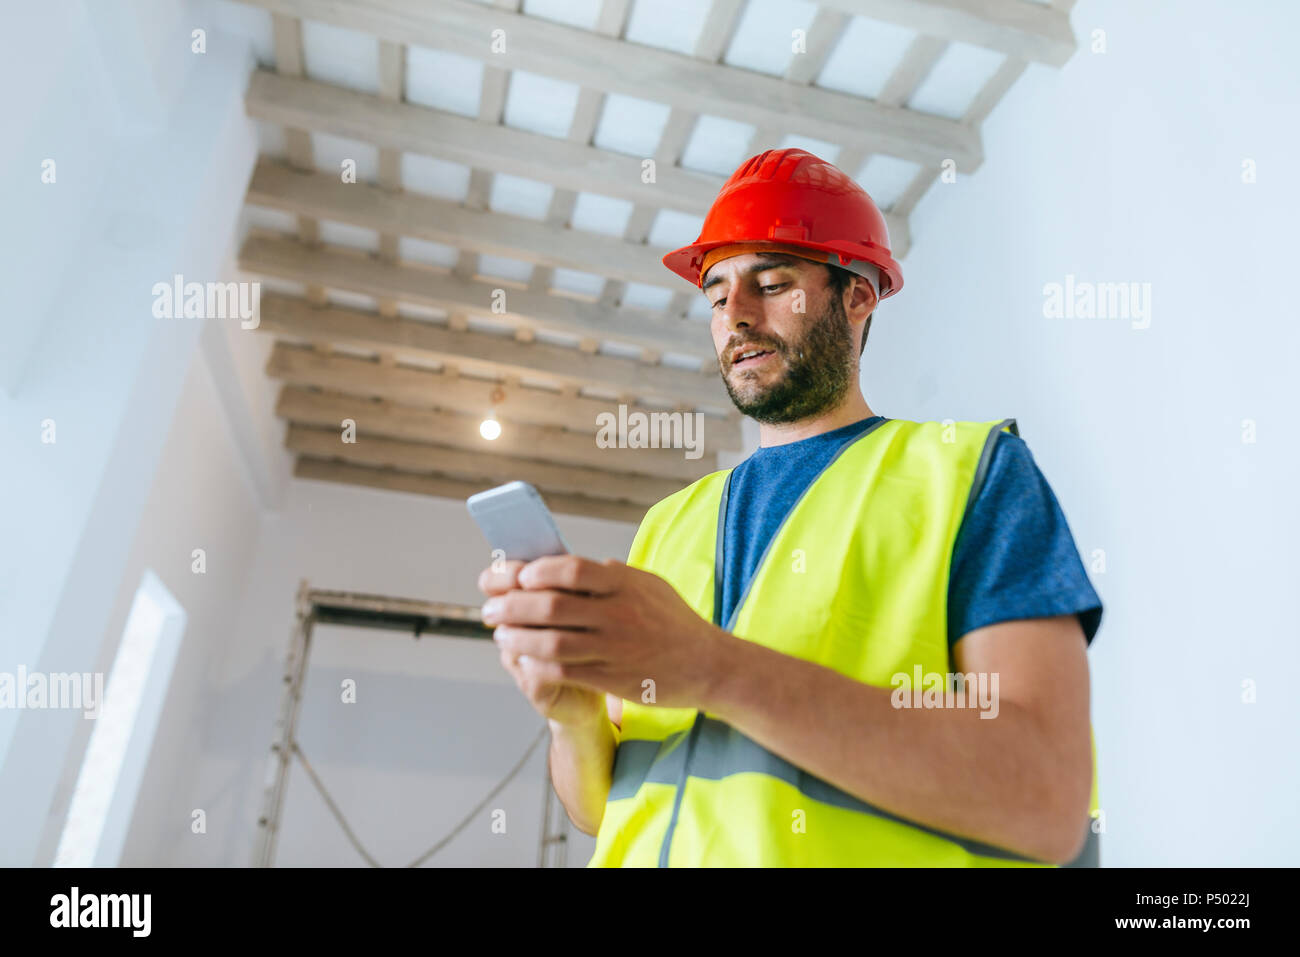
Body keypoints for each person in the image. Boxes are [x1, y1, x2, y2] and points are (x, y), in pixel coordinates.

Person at [477, 148, 1103, 867]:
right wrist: (574, 716)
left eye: (770, 282)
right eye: (715, 296)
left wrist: (712, 666)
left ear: (858, 297)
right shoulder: (670, 523)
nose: (734, 316)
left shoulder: (971, 473)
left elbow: (1046, 796)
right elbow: (602, 809)